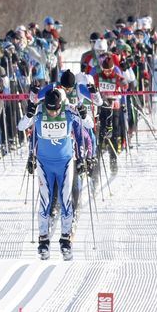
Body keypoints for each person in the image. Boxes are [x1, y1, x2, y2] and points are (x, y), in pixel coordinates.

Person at [27, 88, 93, 261]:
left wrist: (84, 115)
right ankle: (43, 241)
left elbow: (86, 129)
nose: (53, 113)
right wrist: (31, 156)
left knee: (66, 200)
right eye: (50, 109)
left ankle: (65, 239)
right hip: (45, 162)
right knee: (45, 201)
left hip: (65, 161)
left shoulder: (69, 109)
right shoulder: (41, 110)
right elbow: (30, 131)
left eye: (56, 109)